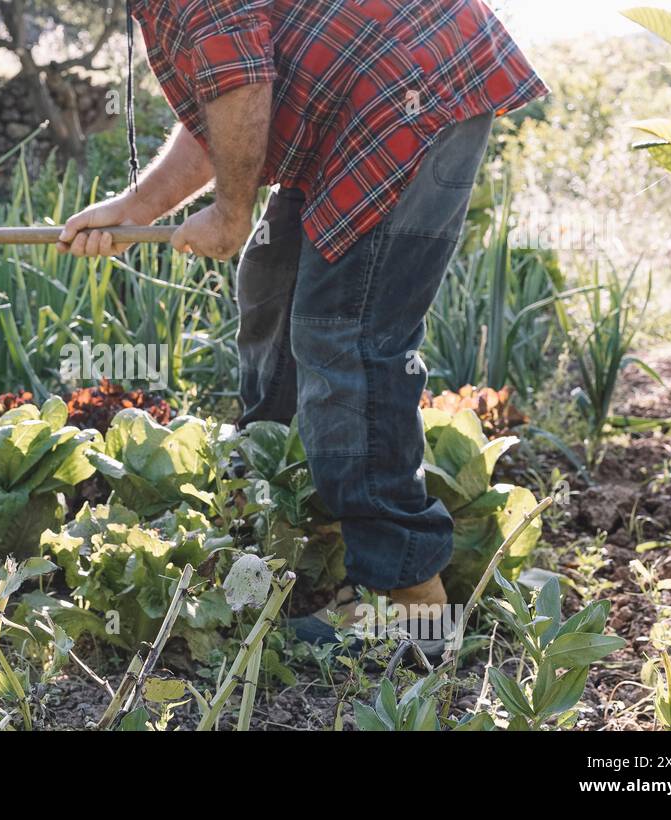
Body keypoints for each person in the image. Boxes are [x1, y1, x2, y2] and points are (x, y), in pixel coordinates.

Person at [56, 0, 548, 653]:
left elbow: (240, 83)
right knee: (274, 285)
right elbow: (223, 101)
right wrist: (137, 208)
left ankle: (415, 611)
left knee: (345, 334)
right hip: (364, 98)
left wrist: (231, 214)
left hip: (411, 88)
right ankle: (304, 526)